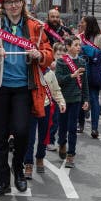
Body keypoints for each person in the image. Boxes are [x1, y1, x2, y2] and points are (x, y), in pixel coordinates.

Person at [0, 0, 53, 197]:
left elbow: (49, 53)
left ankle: (18, 170)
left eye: (17, 1)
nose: (13, 6)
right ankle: (3, 180)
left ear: (22, 4)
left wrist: (40, 55)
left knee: (22, 131)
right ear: (3, 6)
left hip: (24, 88)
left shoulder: (35, 26)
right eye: (9, 2)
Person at [24, 42, 66, 179]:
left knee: (43, 135)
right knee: (30, 137)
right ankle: (28, 163)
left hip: (46, 107)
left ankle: (40, 157)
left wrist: (61, 102)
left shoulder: (50, 73)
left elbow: (56, 90)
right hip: (31, 108)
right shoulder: (27, 72)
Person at [55, 36, 89, 168]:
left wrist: (86, 99)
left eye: (79, 45)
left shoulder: (82, 62)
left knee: (72, 127)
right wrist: (72, 76)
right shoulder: (61, 61)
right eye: (75, 45)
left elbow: (85, 82)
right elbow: (58, 79)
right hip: (63, 99)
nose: (78, 47)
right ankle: (62, 143)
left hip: (76, 98)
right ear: (68, 47)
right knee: (62, 126)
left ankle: (71, 155)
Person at [77, 15, 101, 137]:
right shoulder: (79, 37)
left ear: (89, 23)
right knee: (81, 98)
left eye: (83, 22)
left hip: (95, 72)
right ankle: (80, 124)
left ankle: (95, 128)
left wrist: (89, 51)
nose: (81, 24)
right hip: (81, 70)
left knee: (94, 99)